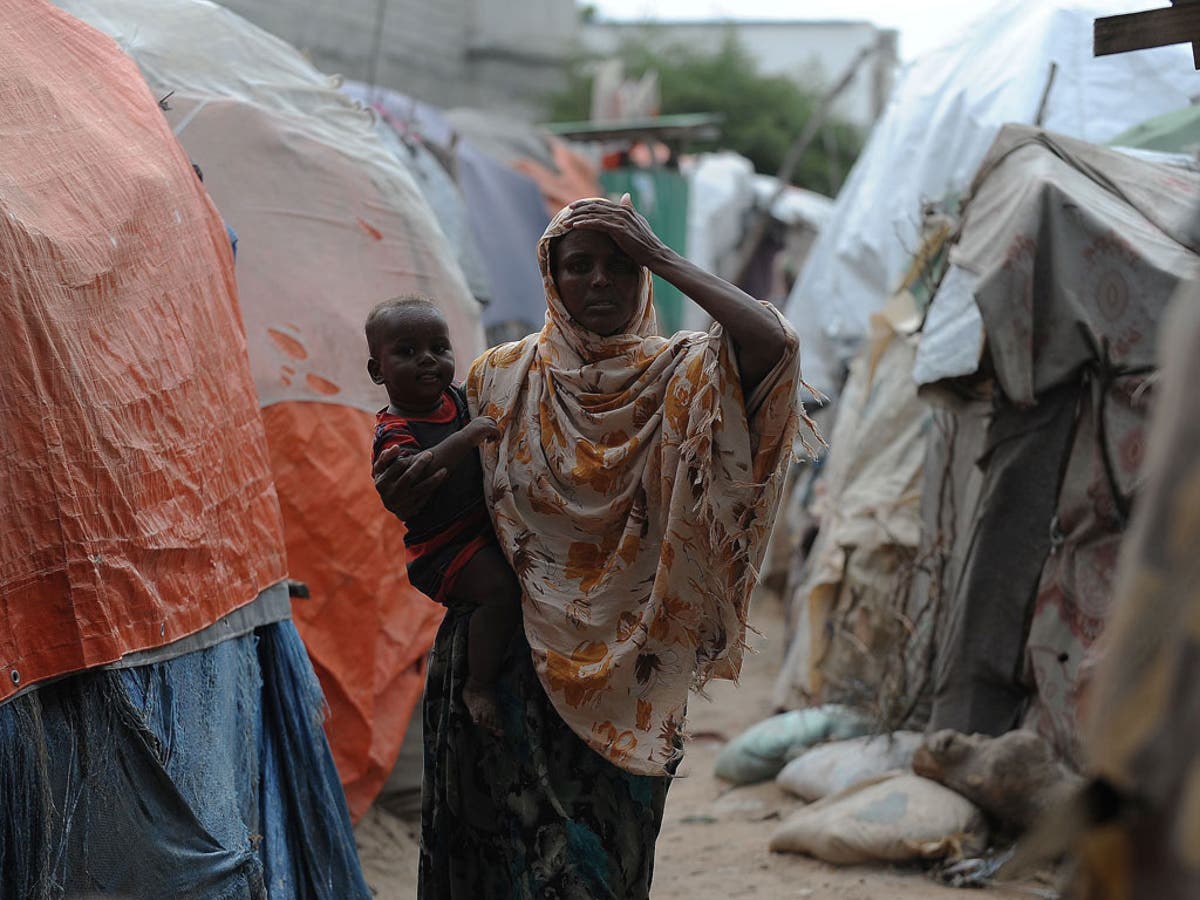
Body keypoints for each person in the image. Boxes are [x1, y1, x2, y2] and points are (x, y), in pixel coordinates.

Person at [373, 195, 808, 898]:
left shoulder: (686, 375)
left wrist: (662, 254)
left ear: (644, 277)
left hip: (628, 673)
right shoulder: (497, 377)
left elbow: (774, 345)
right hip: (499, 662)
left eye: (621, 265)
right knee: (486, 872)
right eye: (580, 265)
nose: (600, 281)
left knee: (595, 875)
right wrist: (406, 497)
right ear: (553, 277)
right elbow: (438, 491)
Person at [366, 295, 521, 732]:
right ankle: (478, 684)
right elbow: (418, 469)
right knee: (500, 591)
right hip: (444, 548)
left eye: (439, 347)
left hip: (479, 528)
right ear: (378, 371)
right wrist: (468, 436)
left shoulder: (458, 398)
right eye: (408, 352)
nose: (428, 360)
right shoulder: (392, 429)